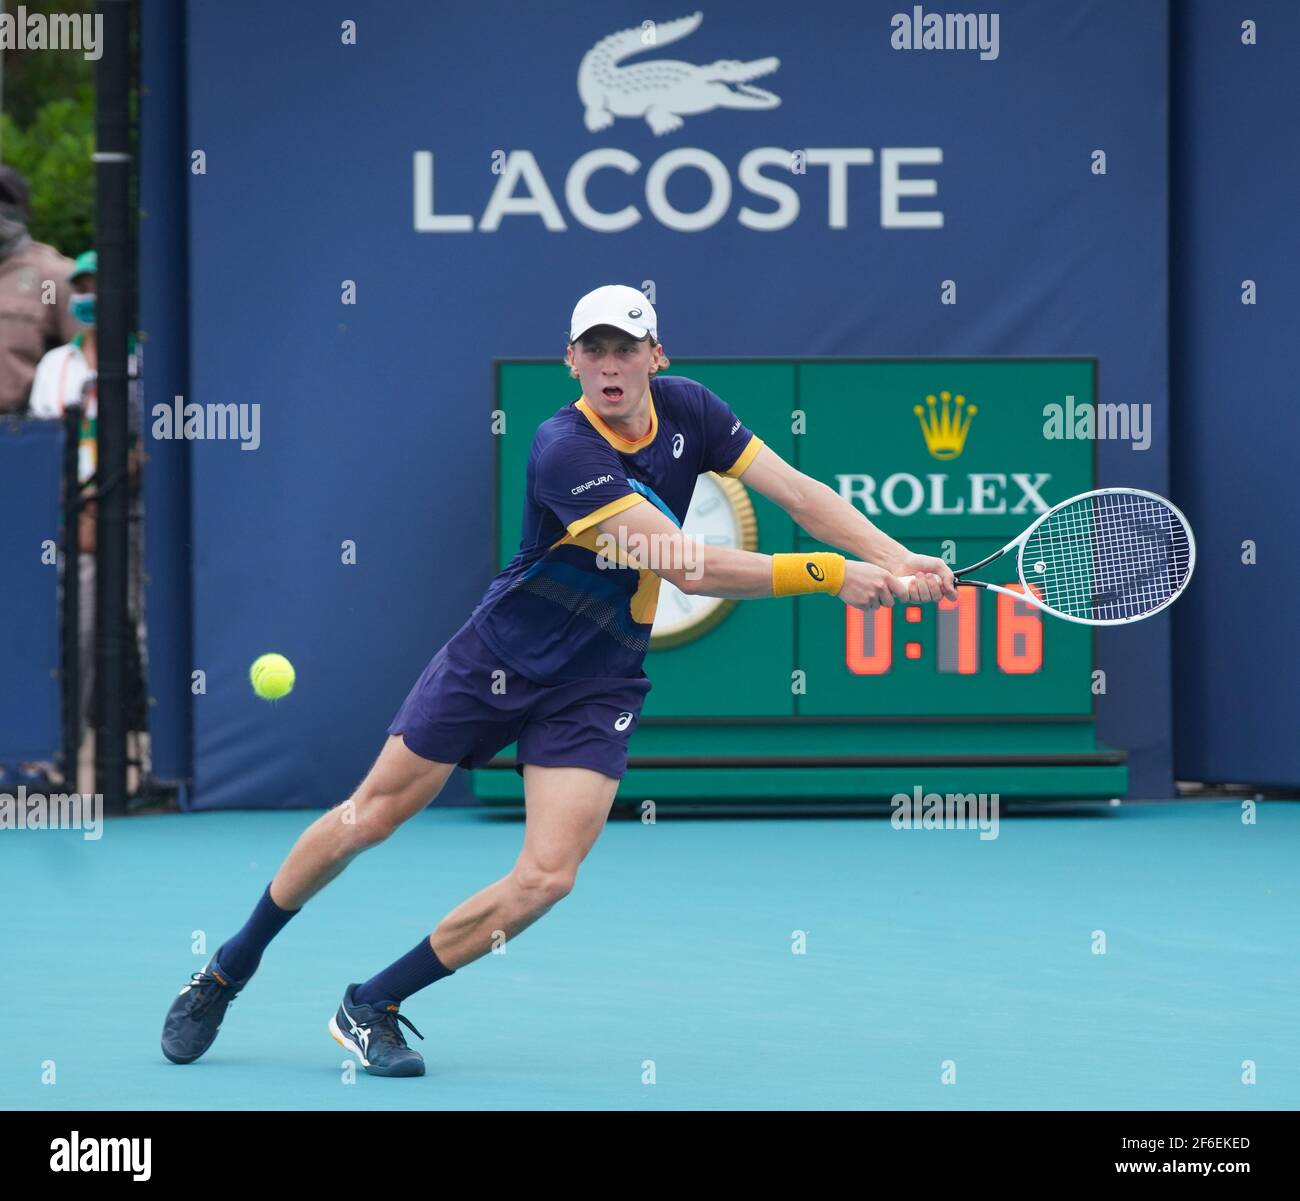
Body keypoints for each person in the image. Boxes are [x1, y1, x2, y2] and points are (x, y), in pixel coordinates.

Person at [161, 284, 958, 1077]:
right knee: (369, 817)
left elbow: (800, 493)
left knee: (547, 877)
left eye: (626, 349)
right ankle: (228, 967)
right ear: (571, 361)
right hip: (500, 658)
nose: (611, 367)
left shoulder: (694, 413)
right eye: (595, 351)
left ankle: (372, 1003)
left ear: (657, 356)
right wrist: (828, 575)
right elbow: (686, 563)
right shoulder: (563, 447)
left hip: (599, 681)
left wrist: (894, 556)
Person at [29, 251, 101, 735]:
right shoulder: (56, 363)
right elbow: (40, 442)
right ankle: (60, 743)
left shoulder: (144, 357)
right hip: (64, 519)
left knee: (124, 634)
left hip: (125, 518)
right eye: (81, 286)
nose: (87, 295)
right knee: (68, 632)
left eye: (98, 284)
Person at [0, 166, 77, 414]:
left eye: (4, 200)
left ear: (25, 212)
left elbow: (80, 357)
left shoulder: (48, 278)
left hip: (23, 432)